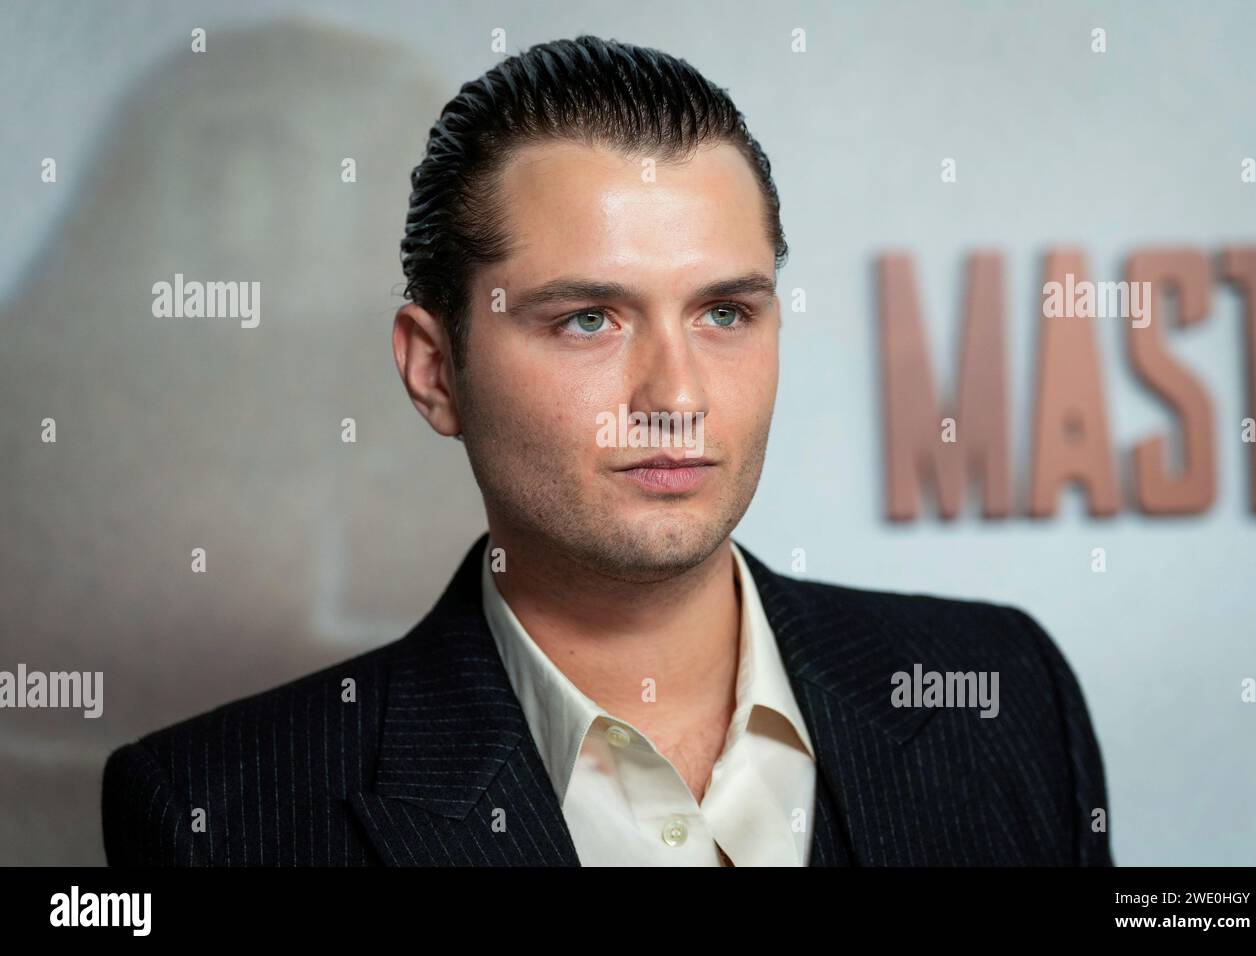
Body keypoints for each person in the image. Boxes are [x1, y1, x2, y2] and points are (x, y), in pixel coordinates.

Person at [102, 34, 1112, 867]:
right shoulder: (223, 815)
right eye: (588, 319)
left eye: (724, 311)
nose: (674, 396)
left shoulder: (1001, 692)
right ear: (433, 370)